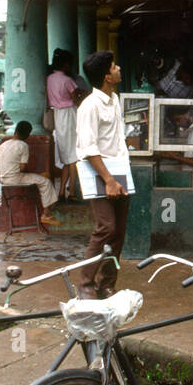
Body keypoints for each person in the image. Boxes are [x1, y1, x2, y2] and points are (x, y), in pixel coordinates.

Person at [75, 51, 133, 299]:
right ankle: (85, 283)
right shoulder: (89, 105)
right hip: (98, 171)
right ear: (107, 76)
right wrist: (108, 180)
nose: (118, 67)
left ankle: (107, 283)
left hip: (119, 168)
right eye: (114, 66)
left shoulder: (115, 99)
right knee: (105, 227)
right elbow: (89, 148)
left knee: (118, 230)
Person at [0, 121, 58, 225]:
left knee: (39, 178)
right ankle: (46, 213)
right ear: (27, 135)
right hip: (15, 178)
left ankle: (47, 212)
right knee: (45, 181)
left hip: (2, 178)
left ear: (15, 131)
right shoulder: (23, 145)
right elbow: (23, 168)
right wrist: (37, 175)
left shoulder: (4, 144)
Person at [46, 48, 81, 203]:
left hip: (58, 116)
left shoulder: (50, 79)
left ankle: (62, 192)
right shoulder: (67, 80)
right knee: (74, 157)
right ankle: (71, 192)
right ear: (66, 64)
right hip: (70, 115)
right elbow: (76, 99)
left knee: (67, 156)